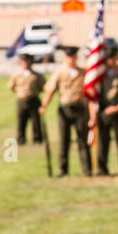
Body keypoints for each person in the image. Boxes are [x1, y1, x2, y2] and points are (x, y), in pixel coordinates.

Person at [39, 45, 91, 177]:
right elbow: (50, 91)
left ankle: (87, 169)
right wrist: (44, 105)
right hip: (65, 109)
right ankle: (63, 169)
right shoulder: (59, 73)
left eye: (73, 57)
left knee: (83, 141)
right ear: (65, 58)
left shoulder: (83, 72)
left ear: (76, 57)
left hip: (80, 108)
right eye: (69, 57)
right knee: (64, 141)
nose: (71, 59)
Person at [95, 42, 118, 176]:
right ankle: (102, 168)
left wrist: (117, 107)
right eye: (108, 58)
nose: (110, 60)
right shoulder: (99, 73)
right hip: (104, 109)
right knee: (103, 141)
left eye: (113, 57)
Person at [7, 52, 45, 144]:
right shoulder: (16, 75)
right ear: (20, 63)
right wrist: (20, 93)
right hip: (21, 100)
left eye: (28, 62)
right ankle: (21, 139)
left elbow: (42, 87)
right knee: (21, 121)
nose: (26, 64)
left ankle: (37, 139)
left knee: (36, 121)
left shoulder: (37, 75)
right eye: (24, 62)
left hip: (34, 99)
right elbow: (11, 86)